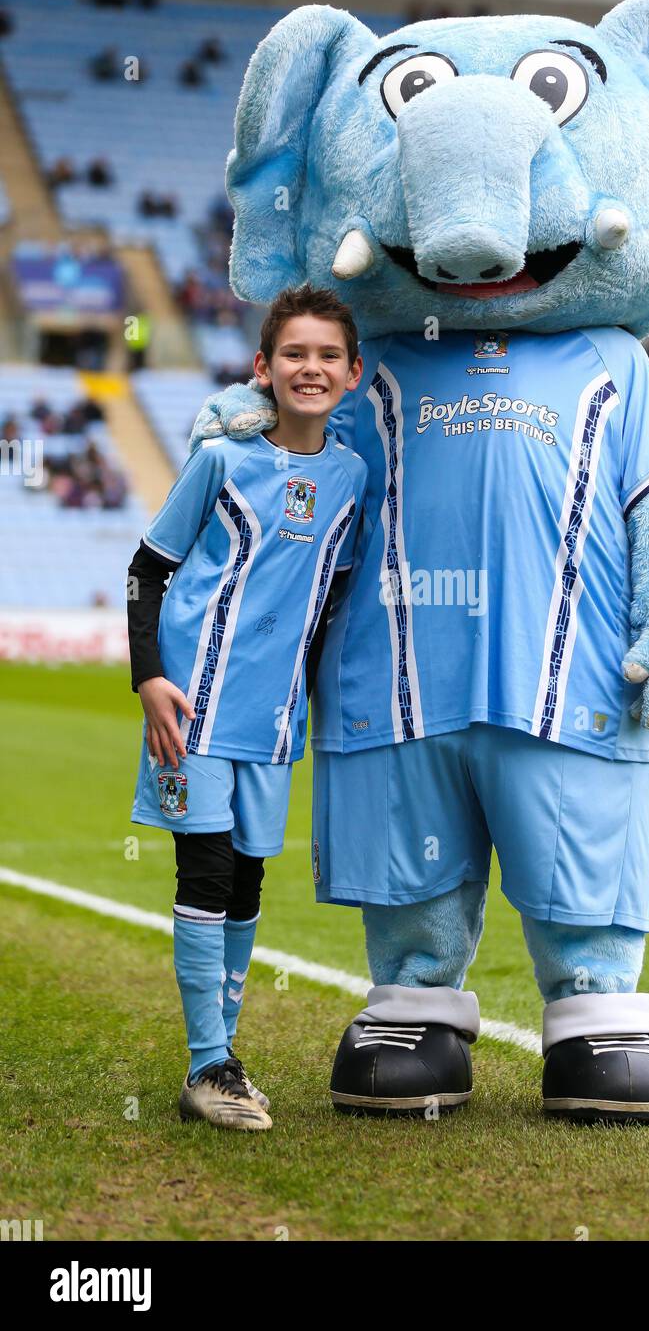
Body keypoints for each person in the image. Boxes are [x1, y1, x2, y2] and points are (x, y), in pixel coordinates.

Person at [126, 285, 367, 1130]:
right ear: (264, 368)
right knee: (209, 870)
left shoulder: (351, 478)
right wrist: (149, 676)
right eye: (294, 353)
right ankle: (206, 1066)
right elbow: (147, 569)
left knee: (250, 880)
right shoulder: (220, 459)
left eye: (328, 355)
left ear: (352, 373)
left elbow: (329, 605)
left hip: (273, 722)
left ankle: (222, 1059)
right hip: (190, 708)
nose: (311, 367)